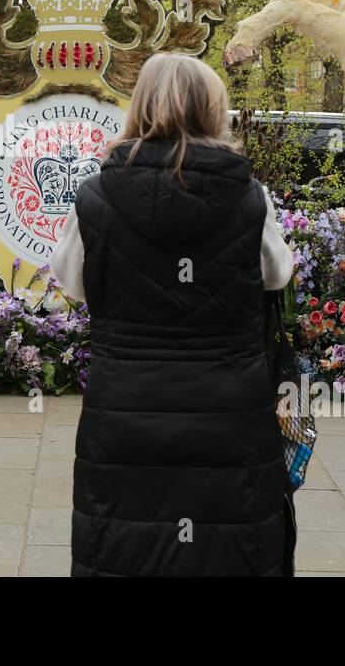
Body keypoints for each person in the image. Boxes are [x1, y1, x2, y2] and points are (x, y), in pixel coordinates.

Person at [50, 52, 296, 576]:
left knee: (122, 541)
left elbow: (70, 279)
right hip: (230, 408)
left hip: (126, 406)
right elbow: (277, 274)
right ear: (213, 110)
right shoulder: (248, 195)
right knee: (231, 544)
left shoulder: (95, 195)